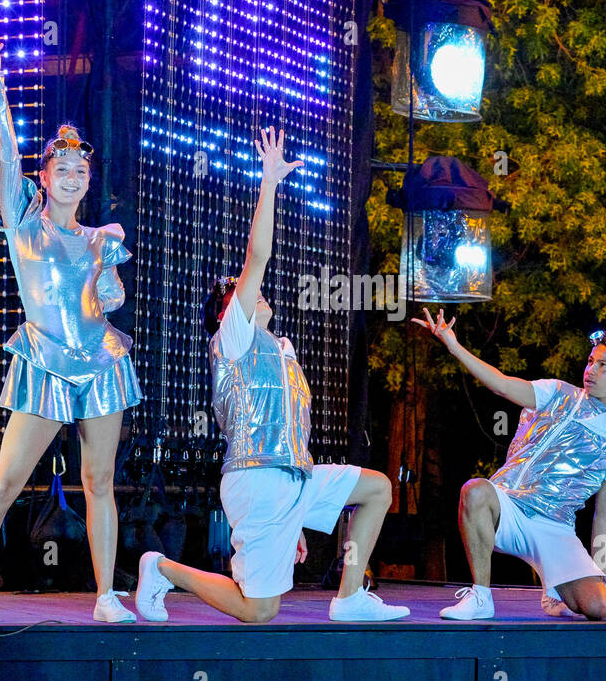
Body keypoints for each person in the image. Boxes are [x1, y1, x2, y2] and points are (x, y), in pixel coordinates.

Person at [135, 127, 409, 623]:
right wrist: (269, 184)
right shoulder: (233, 340)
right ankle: (164, 568)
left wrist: (294, 521)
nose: (250, 292)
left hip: (293, 479)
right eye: (236, 293)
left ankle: (349, 597)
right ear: (225, 313)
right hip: (257, 479)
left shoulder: (282, 349)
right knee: (259, 610)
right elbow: (256, 257)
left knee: (376, 488)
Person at [0, 25, 143, 624]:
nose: (73, 174)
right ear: (43, 179)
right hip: (45, 361)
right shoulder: (23, 223)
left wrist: (109, 278)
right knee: (5, 483)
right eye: (63, 168)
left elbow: (109, 301)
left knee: (99, 481)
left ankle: (106, 596)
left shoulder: (100, 239)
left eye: (81, 168)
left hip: (101, 361)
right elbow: (5, 150)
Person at [413, 308, 606, 620]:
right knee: (476, 490)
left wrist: (598, 573)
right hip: (508, 507)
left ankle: (555, 592)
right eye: (591, 361)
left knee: (595, 608)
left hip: (554, 527)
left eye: (604, 366)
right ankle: (481, 596)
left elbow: (605, 517)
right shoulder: (558, 393)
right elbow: (501, 384)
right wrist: (453, 345)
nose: (591, 370)